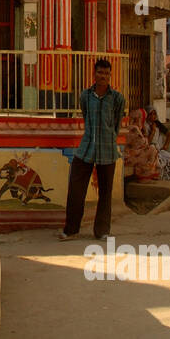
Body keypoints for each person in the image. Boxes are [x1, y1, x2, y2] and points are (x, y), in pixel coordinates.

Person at [61, 58, 125, 242]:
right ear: (94, 74)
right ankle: (71, 229)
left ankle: (102, 231)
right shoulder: (85, 96)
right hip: (86, 149)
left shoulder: (117, 98)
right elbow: (86, 116)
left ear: (110, 76)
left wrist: (110, 137)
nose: (103, 76)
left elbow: (116, 124)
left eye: (106, 73)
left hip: (107, 150)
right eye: (100, 73)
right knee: (76, 190)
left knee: (105, 193)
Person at [145, 108, 170, 181]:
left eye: (154, 114)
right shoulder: (144, 126)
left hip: (158, 148)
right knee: (160, 162)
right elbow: (147, 142)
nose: (152, 116)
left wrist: (166, 145)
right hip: (149, 149)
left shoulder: (157, 123)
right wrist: (153, 131)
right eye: (150, 114)